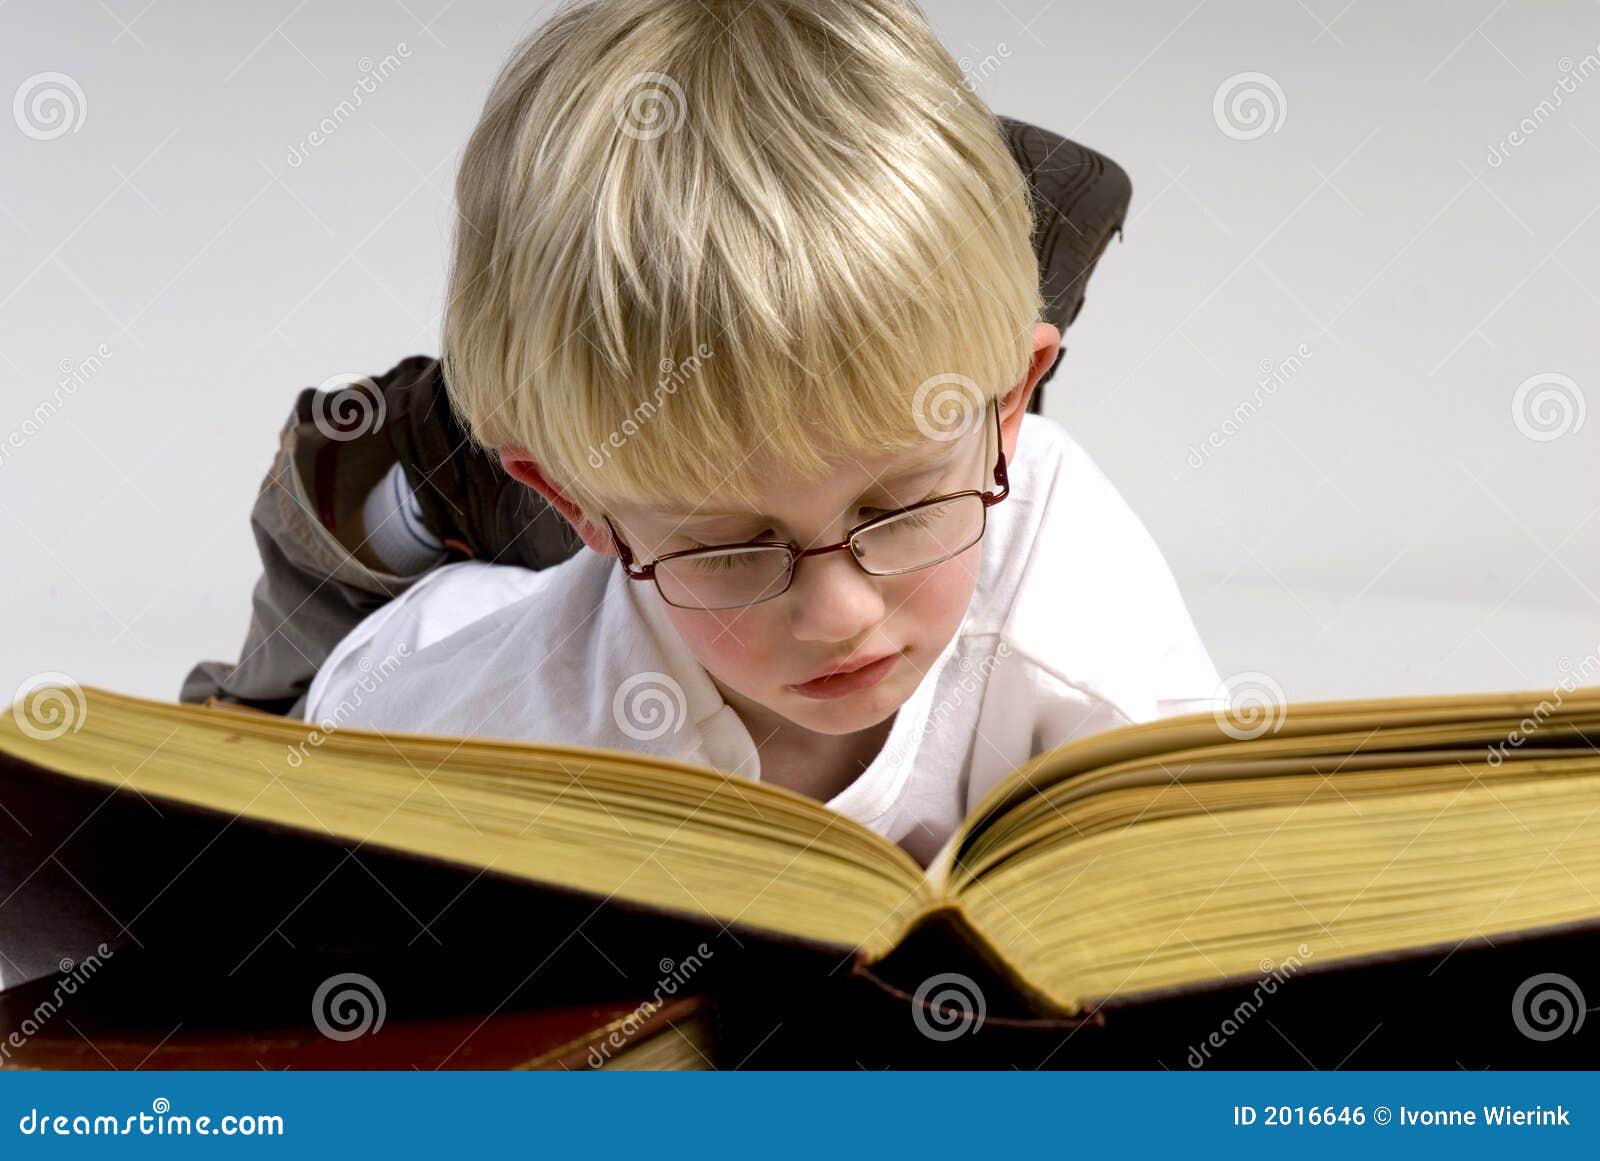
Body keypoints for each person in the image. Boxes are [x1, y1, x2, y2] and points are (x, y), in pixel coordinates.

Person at [185, 0, 1220, 867]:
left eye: (897, 508)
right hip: (422, 599)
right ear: (570, 501)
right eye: (733, 542)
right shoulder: (441, 721)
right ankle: (448, 455)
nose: (836, 615)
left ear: (1012, 406)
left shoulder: (1076, 612)